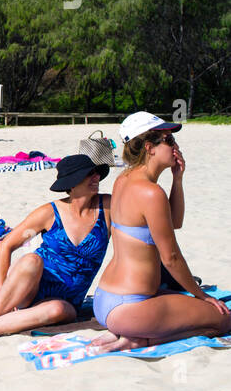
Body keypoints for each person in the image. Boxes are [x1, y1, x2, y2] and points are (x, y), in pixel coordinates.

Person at [90, 112, 231, 352]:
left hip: (104, 300)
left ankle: (132, 333)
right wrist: (202, 296)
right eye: (168, 140)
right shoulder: (150, 193)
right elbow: (171, 258)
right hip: (130, 308)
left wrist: (178, 179)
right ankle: (141, 340)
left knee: (195, 307)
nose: (176, 146)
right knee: (224, 319)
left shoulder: (123, 180)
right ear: (149, 147)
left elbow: (174, 222)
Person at [0, 155, 112, 346]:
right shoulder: (49, 212)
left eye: (96, 173)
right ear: (71, 184)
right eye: (89, 174)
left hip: (66, 303)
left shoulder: (107, 207)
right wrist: (2, 288)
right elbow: (7, 245)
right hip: (30, 288)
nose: (96, 177)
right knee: (32, 259)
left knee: (60, 311)